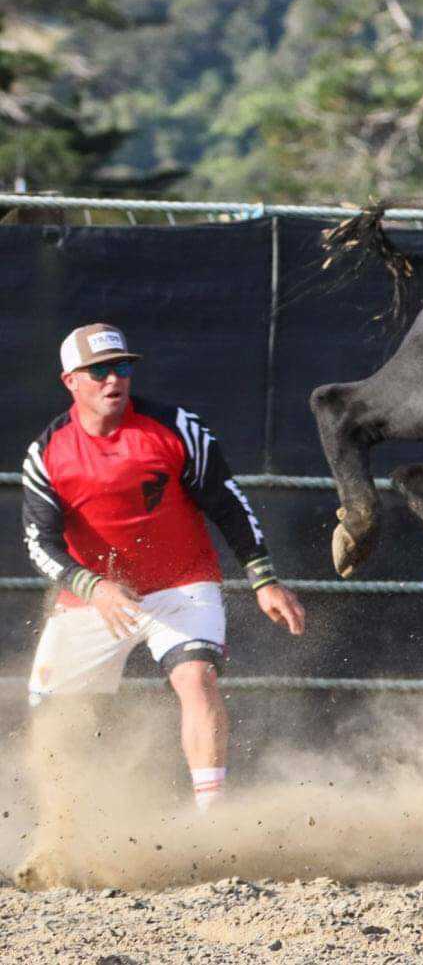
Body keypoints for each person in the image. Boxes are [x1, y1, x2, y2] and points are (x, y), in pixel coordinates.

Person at [21, 323, 306, 811]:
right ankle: (62, 828)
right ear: (70, 380)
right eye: (99, 371)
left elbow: (227, 503)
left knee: (197, 677)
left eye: (123, 367)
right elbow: (39, 542)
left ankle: (211, 822)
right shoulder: (47, 453)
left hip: (181, 583)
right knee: (52, 717)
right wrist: (94, 588)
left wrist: (263, 578)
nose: (115, 380)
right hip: (96, 597)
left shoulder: (176, 428)